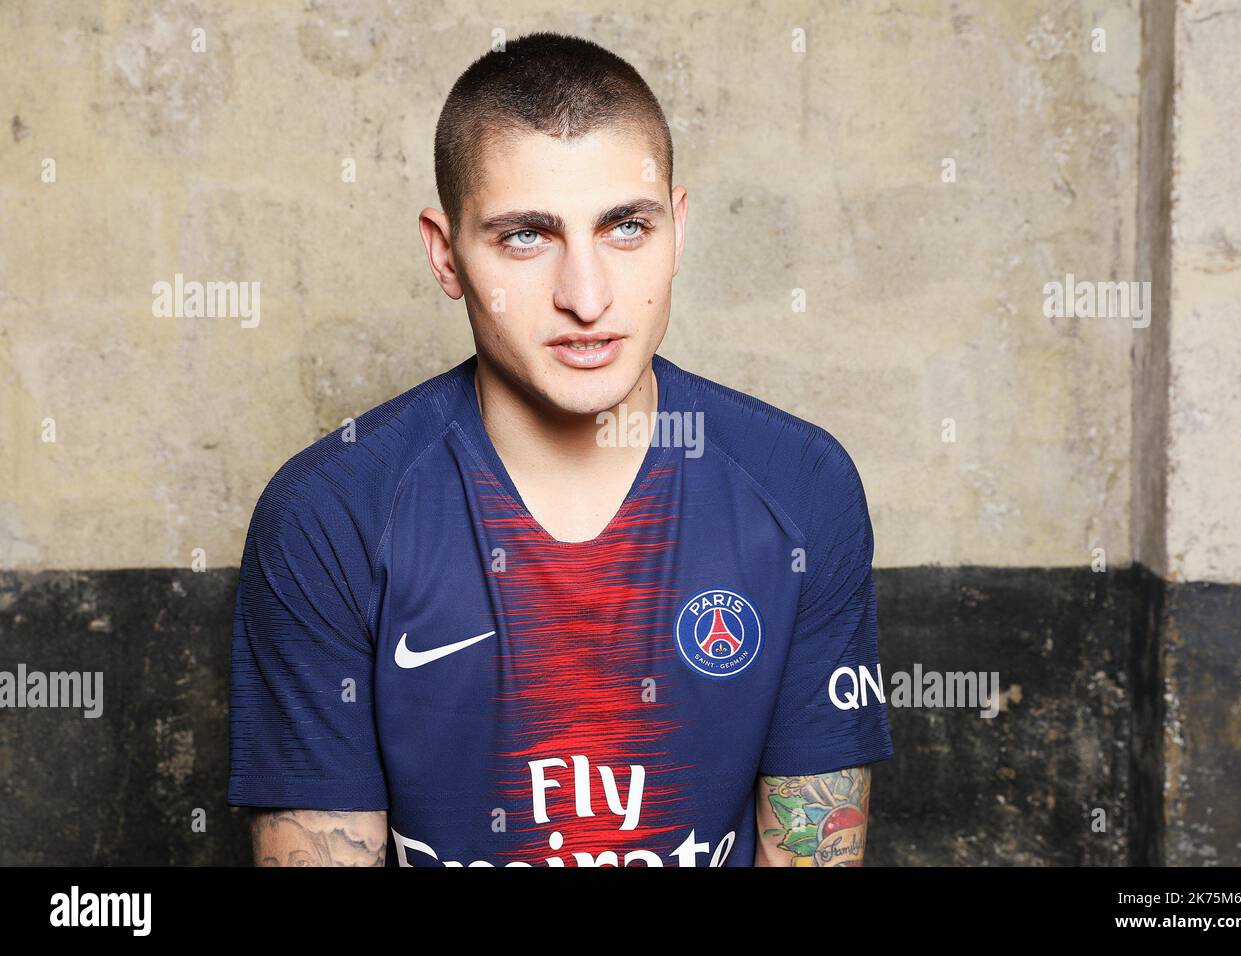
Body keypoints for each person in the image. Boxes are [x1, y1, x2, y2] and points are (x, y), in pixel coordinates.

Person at [227, 30, 892, 867]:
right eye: (526, 237)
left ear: (677, 231)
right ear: (445, 255)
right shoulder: (330, 513)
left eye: (624, 227)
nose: (587, 296)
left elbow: (814, 849)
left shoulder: (801, 487)